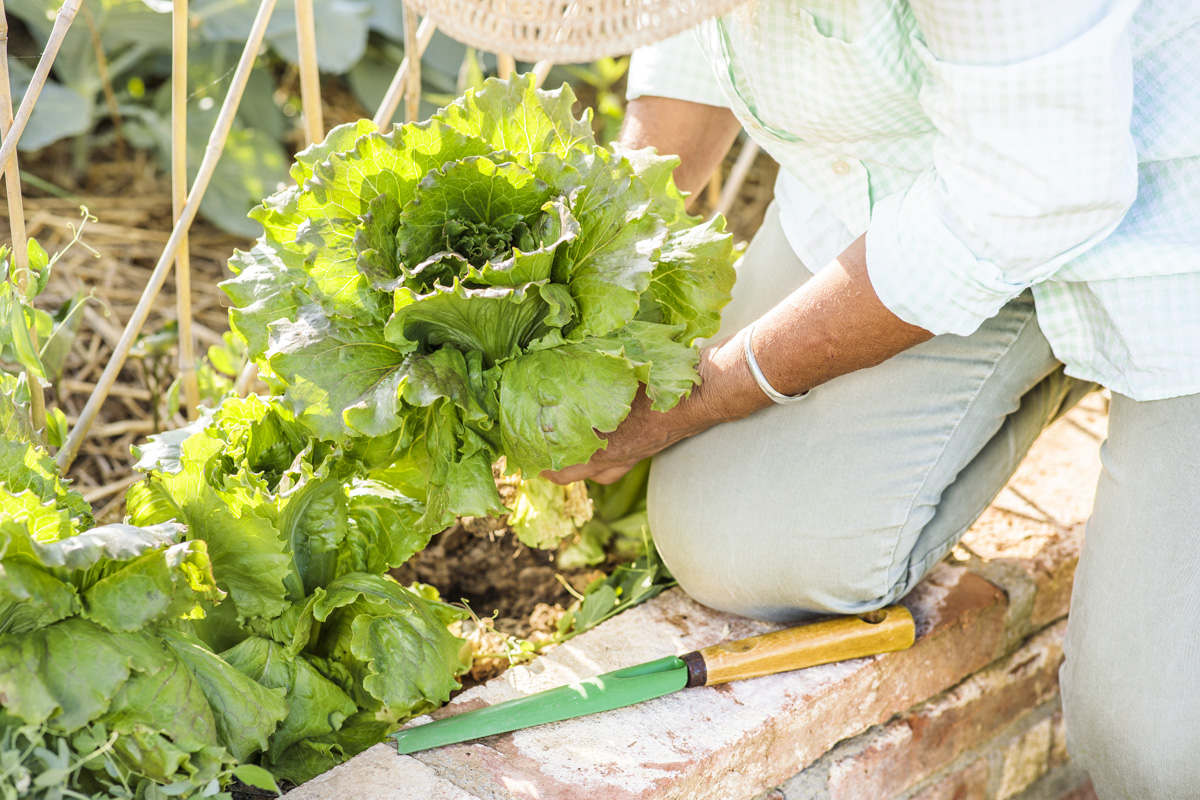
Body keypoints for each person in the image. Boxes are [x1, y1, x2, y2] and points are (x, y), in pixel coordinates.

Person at [542, 1, 1200, 797]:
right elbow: (692, 29)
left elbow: (1032, 189)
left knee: (1157, 749)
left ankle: (1100, 354)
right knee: (739, 545)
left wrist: (705, 391)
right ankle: (1035, 348)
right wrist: (602, 259)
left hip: (1170, 216)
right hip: (921, 178)